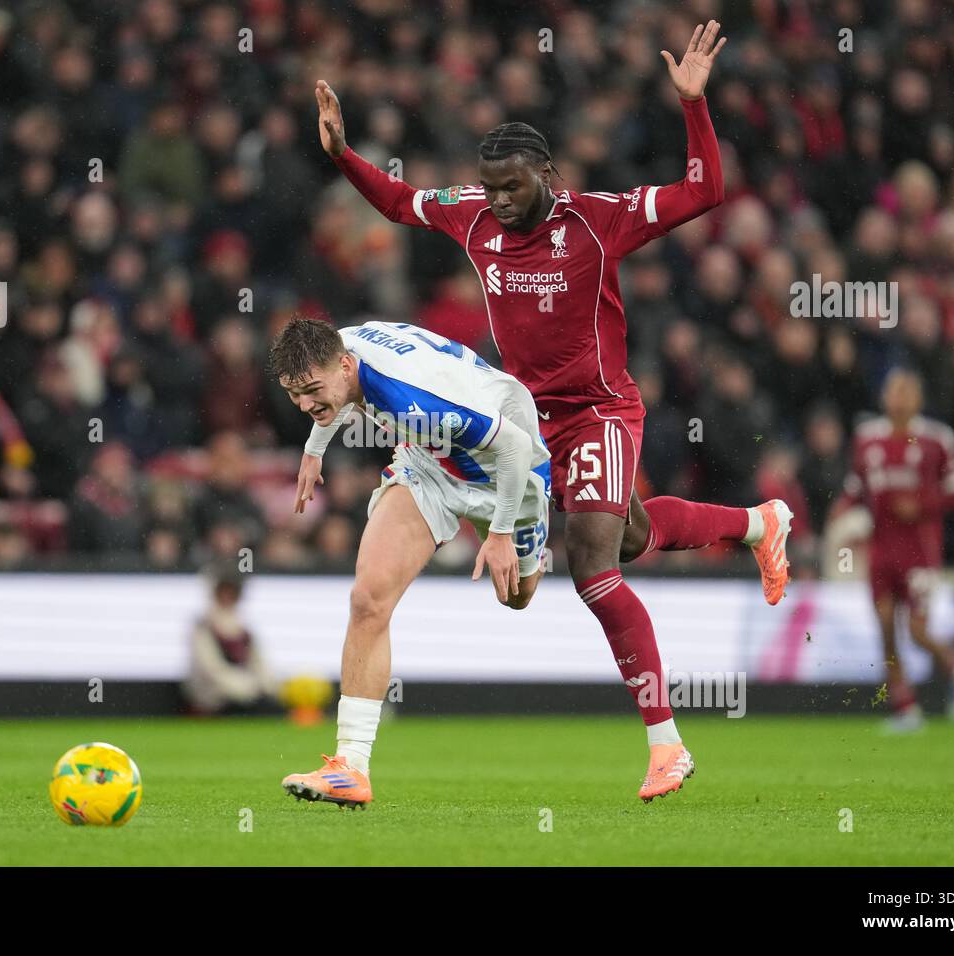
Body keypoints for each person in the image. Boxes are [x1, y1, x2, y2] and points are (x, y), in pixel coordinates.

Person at [316, 20, 791, 800]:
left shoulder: (596, 221)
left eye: (514, 186)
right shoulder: (470, 215)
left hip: (600, 410)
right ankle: (756, 524)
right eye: (491, 187)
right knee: (635, 533)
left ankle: (666, 744)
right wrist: (342, 157)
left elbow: (706, 191)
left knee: (593, 564)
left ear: (548, 174)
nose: (499, 202)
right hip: (526, 423)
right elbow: (401, 202)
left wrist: (694, 107)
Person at [272, 317, 551, 808]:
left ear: (343, 365)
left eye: (312, 391)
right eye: (295, 395)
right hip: (428, 464)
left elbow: (514, 446)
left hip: (506, 473)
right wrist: (315, 448)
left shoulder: (411, 396)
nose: (305, 404)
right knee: (367, 600)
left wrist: (502, 533)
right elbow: (331, 398)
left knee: (518, 597)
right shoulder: (341, 349)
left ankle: (621, 515)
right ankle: (350, 767)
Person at [839, 368, 954, 731]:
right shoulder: (867, 439)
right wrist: (845, 521)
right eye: (893, 390)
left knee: (916, 629)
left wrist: (923, 503)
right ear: (885, 397)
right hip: (881, 549)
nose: (898, 398)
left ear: (918, 398)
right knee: (884, 628)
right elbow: (855, 490)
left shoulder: (936, 439)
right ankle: (906, 707)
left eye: (906, 391)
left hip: (920, 550)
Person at [185, 563, 281, 715]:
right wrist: (241, 686)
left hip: (245, 693)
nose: (227, 597)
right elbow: (210, 668)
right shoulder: (204, 626)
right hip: (213, 697)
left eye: (231, 593)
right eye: (224, 592)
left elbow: (258, 662)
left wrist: (268, 686)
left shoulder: (243, 628)